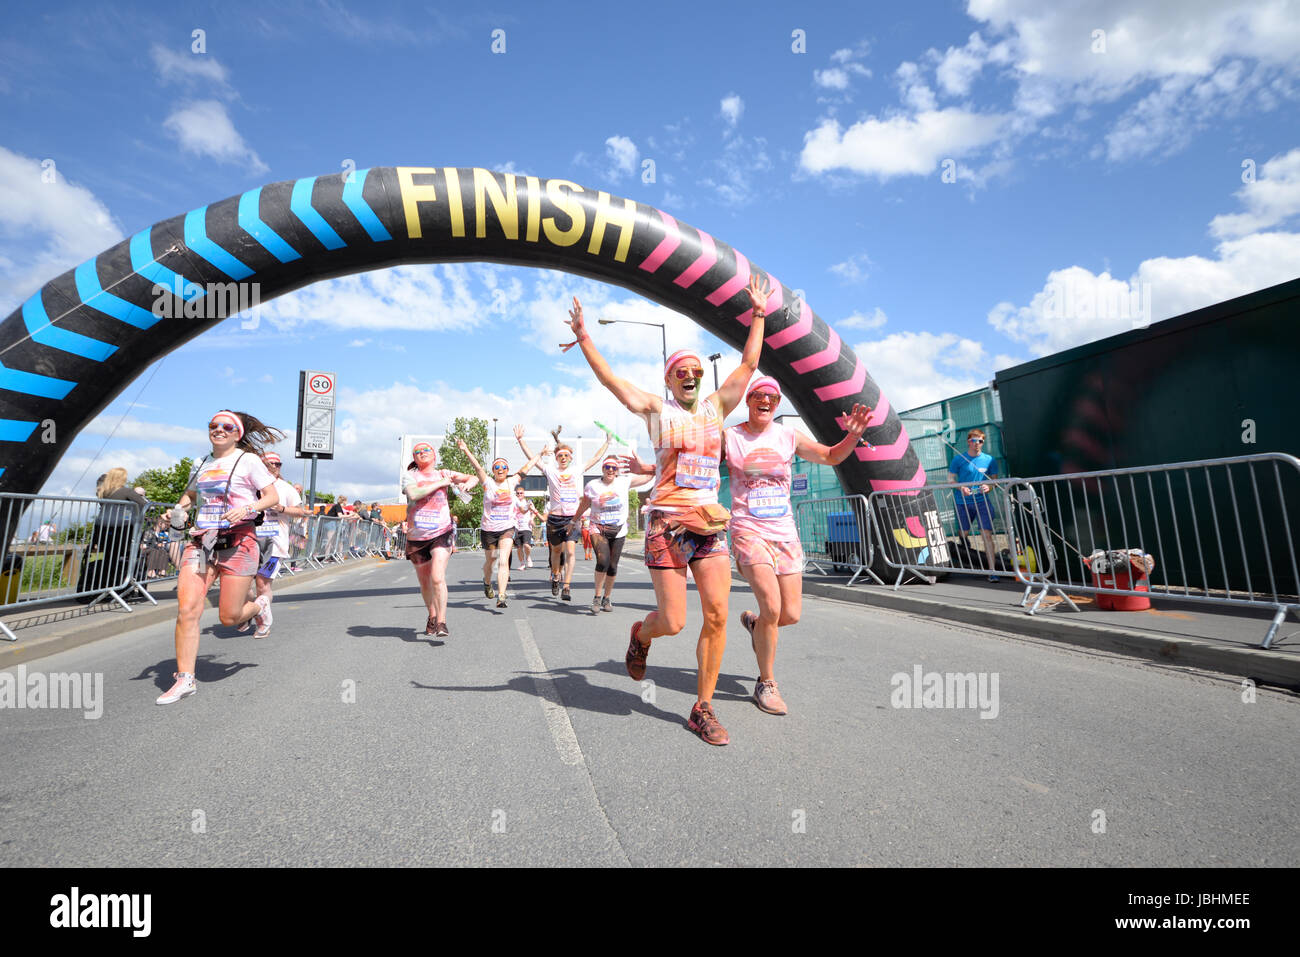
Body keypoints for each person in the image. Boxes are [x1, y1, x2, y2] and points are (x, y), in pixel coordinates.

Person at [561, 273, 770, 746]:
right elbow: (613, 381)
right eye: (682, 371)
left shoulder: (718, 406)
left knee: (717, 614)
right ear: (669, 379)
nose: (691, 375)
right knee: (673, 621)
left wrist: (758, 313)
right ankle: (641, 633)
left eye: (696, 370)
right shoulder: (658, 409)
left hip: (709, 525)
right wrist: (585, 337)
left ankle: (703, 708)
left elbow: (750, 363)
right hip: (668, 524)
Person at [725, 376, 872, 716]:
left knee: (788, 614)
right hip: (748, 530)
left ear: (776, 405)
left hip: (785, 533)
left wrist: (853, 434)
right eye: (759, 395)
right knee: (772, 608)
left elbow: (833, 456)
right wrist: (655, 467)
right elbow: (696, 460)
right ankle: (767, 683)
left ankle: (755, 624)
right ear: (748, 400)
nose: (766, 401)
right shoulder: (731, 437)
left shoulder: (788, 435)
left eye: (773, 398)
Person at [156, 411, 283, 705]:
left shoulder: (247, 460)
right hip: (202, 544)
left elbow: (271, 497)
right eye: (214, 426)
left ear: (237, 434)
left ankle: (260, 605)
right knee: (187, 608)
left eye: (227, 427)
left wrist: (248, 508)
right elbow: (189, 495)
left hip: (238, 541)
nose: (219, 430)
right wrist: (178, 509)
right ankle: (185, 678)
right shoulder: (201, 462)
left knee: (229, 617)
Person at [513, 425, 609, 601]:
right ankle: (556, 576)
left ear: (570, 458)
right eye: (560, 456)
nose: (563, 458)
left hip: (572, 518)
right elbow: (531, 458)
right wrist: (520, 440)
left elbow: (595, 458)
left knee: (571, 552)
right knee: (556, 552)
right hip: (555, 518)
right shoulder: (550, 470)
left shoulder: (576, 469)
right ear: (556, 458)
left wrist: (607, 442)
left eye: (566, 455)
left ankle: (567, 585)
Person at [402, 441, 476, 637]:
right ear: (414, 458)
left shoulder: (444, 473)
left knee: (437, 577)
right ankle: (432, 616)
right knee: (425, 583)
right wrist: (441, 484)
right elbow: (414, 493)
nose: (422, 453)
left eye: (426, 450)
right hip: (417, 536)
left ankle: (442, 622)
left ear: (434, 455)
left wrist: (467, 484)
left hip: (441, 532)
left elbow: (473, 477)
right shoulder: (410, 476)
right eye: (417, 452)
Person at [457, 440, 541, 607]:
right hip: (488, 529)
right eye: (497, 467)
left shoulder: (512, 482)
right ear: (493, 471)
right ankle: (487, 582)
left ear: (508, 471)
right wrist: (466, 449)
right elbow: (477, 468)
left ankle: (502, 595)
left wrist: (540, 454)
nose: (500, 469)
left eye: (503, 467)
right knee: (490, 562)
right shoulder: (487, 482)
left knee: (503, 560)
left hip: (507, 528)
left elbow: (527, 467)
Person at [239, 451, 312, 638]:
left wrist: (280, 508)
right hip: (249, 540)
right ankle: (249, 610)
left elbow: (300, 511)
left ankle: (262, 620)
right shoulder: (250, 485)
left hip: (274, 543)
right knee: (243, 584)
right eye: (269, 463)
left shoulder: (285, 488)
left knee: (262, 584)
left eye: (277, 464)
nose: (274, 467)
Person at [569, 455, 654, 614]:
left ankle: (606, 598)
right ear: (602, 469)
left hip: (619, 530)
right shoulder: (593, 485)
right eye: (607, 467)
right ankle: (597, 596)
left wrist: (651, 467)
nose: (610, 470)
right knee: (603, 561)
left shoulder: (624, 481)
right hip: (598, 527)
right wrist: (573, 522)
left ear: (617, 471)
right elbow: (584, 504)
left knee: (613, 567)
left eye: (614, 468)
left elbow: (648, 477)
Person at [948, 428, 1001, 582]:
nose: (976, 443)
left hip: (982, 501)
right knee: (963, 532)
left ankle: (992, 571)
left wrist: (989, 487)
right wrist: (961, 487)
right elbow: (950, 480)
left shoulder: (989, 460)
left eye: (980, 441)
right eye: (973, 440)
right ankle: (963, 542)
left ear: (982, 443)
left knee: (986, 534)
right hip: (962, 502)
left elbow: (994, 480)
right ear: (968, 442)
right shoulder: (958, 460)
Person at [512, 486, 540, 569]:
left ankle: (528, 557)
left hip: (526, 526)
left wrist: (531, 519)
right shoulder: (513, 503)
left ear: (524, 494)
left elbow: (534, 512)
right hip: (516, 526)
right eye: (518, 493)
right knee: (519, 547)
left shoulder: (528, 503)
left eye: (521, 493)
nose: (519, 494)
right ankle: (522, 563)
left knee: (526, 545)